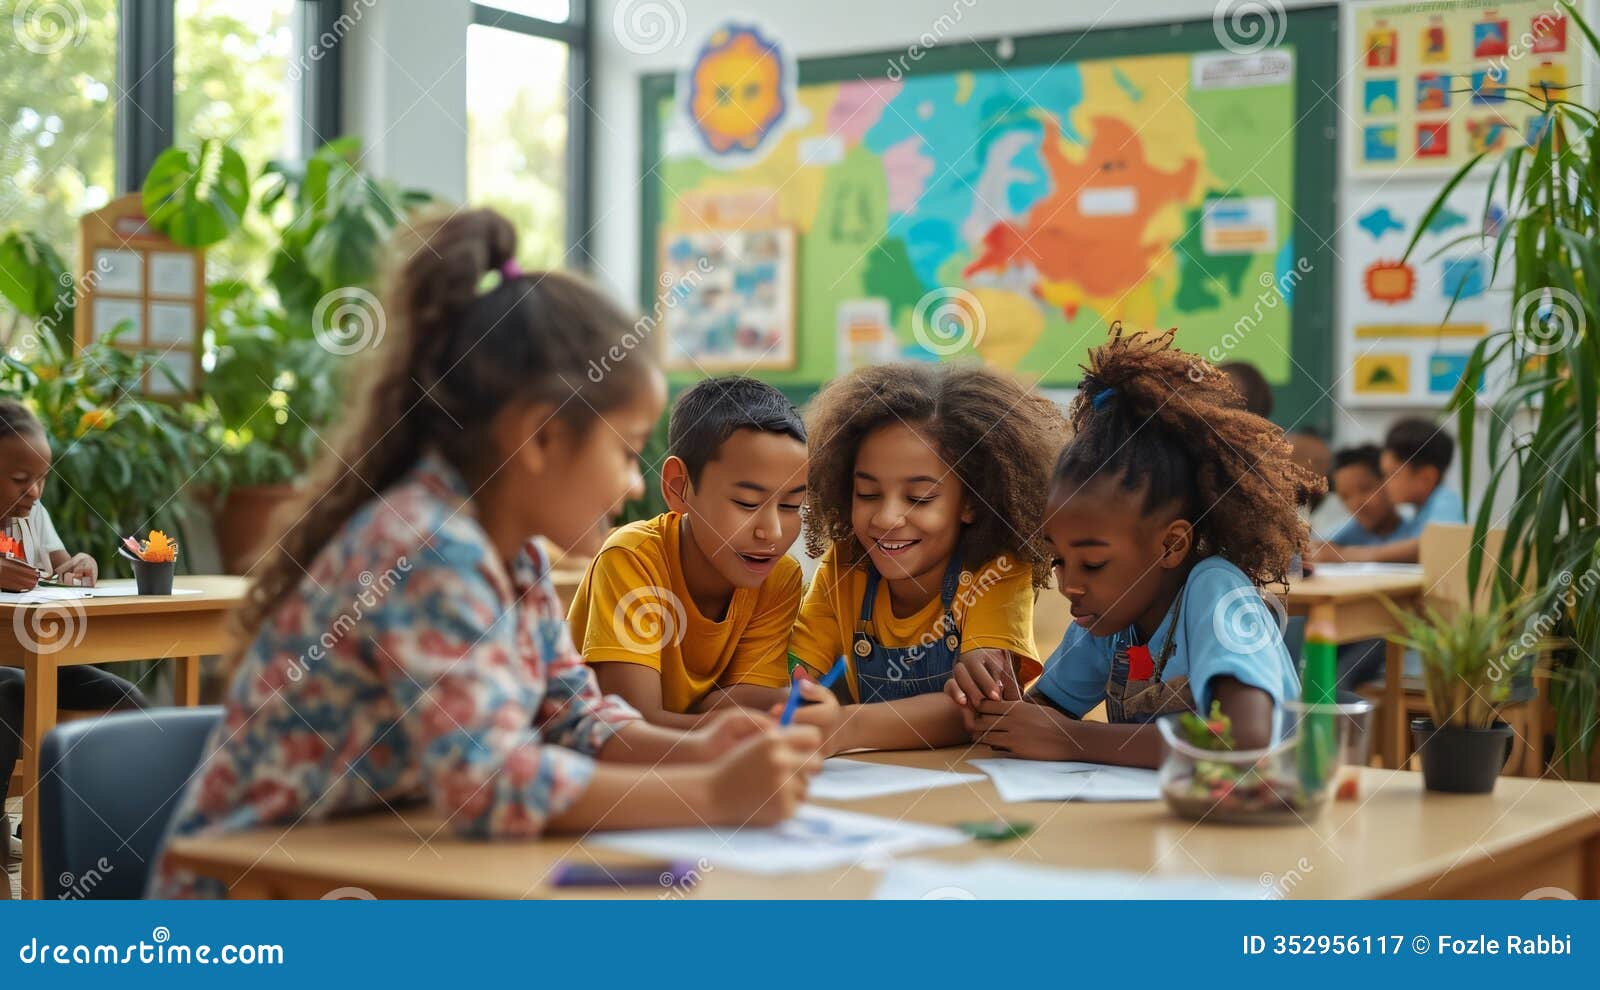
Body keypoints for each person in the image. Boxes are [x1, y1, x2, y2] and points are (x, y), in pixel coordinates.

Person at [149, 210, 820, 898]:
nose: (631, 483)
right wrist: (711, 794)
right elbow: (492, 784)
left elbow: (574, 717)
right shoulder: (425, 549)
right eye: (624, 450)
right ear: (540, 438)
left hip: (370, 876)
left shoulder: (518, 560)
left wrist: (699, 751)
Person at [949, 327, 1321, 767]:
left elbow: (1242, 737)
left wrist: (1075, 741)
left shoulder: (1214, 589)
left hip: (1258, 825)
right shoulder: (1108, 618)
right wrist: (997, 699)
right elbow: (1043, 722)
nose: (1069, 584)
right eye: (1059, 561)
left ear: (1171, 545)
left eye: (1092, 562)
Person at [782, 362, 1065, 755]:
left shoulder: (994, 571)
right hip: (874, 784)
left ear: (971, 501)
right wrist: (786, 696)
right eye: (867, 494)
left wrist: (843, 727)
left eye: (919, 498)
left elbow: (978, 708)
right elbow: (797, 674)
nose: (885, 518)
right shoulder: (844, 564)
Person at [568, 376, 807, 726]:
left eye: (792, 506)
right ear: (679, 488)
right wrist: (739, 728)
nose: (771, 531)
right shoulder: (633, 557)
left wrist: (794, 704)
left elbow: (736, 703)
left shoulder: (779, 578)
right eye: (747, 502)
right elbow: (632, 724)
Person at [0, 400, 147, 876]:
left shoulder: (33, 515)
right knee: (14, 693)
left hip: (36, 656)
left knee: (124, 698)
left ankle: (79, 824)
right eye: (20, 480)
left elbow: (59, 566)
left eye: (42, 478)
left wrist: (76, 564)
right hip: (14, 671)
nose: (34, 492)